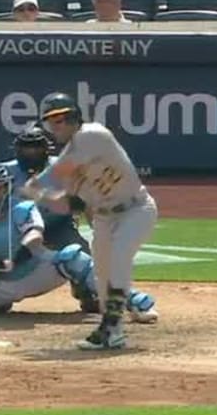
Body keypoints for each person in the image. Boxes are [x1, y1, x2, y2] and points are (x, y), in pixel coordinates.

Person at [20, 91, 159, 351]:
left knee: (118, 260)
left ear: (74, 118)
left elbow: (57, 172)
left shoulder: (93, 134)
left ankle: (111, 328)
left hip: (135, 210)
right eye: (51, 122)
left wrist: (35, 185)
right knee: (102, 273)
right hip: (105, 218)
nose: (57, 126)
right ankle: (114, 328)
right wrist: (41, 195)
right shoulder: (70, 162)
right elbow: (68, 203)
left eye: (61, 119)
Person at [0, 126, 159, 322]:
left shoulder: (63, 168)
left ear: (47, 149)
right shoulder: (4, 172)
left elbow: (86, 202)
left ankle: (92, 294)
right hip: (17, 231)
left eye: (36, 148)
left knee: (84, 257)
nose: (31, 153)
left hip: (59, 227)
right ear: (17, 149)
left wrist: (97, 228)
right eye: (26, 148)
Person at [0, 165, 105, 321]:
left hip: (37, 273)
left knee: (74, 258)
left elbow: (35, 236)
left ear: (6, 189)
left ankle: (116, 299)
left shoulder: (23, 209)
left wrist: (15, 260)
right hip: (0, 283)